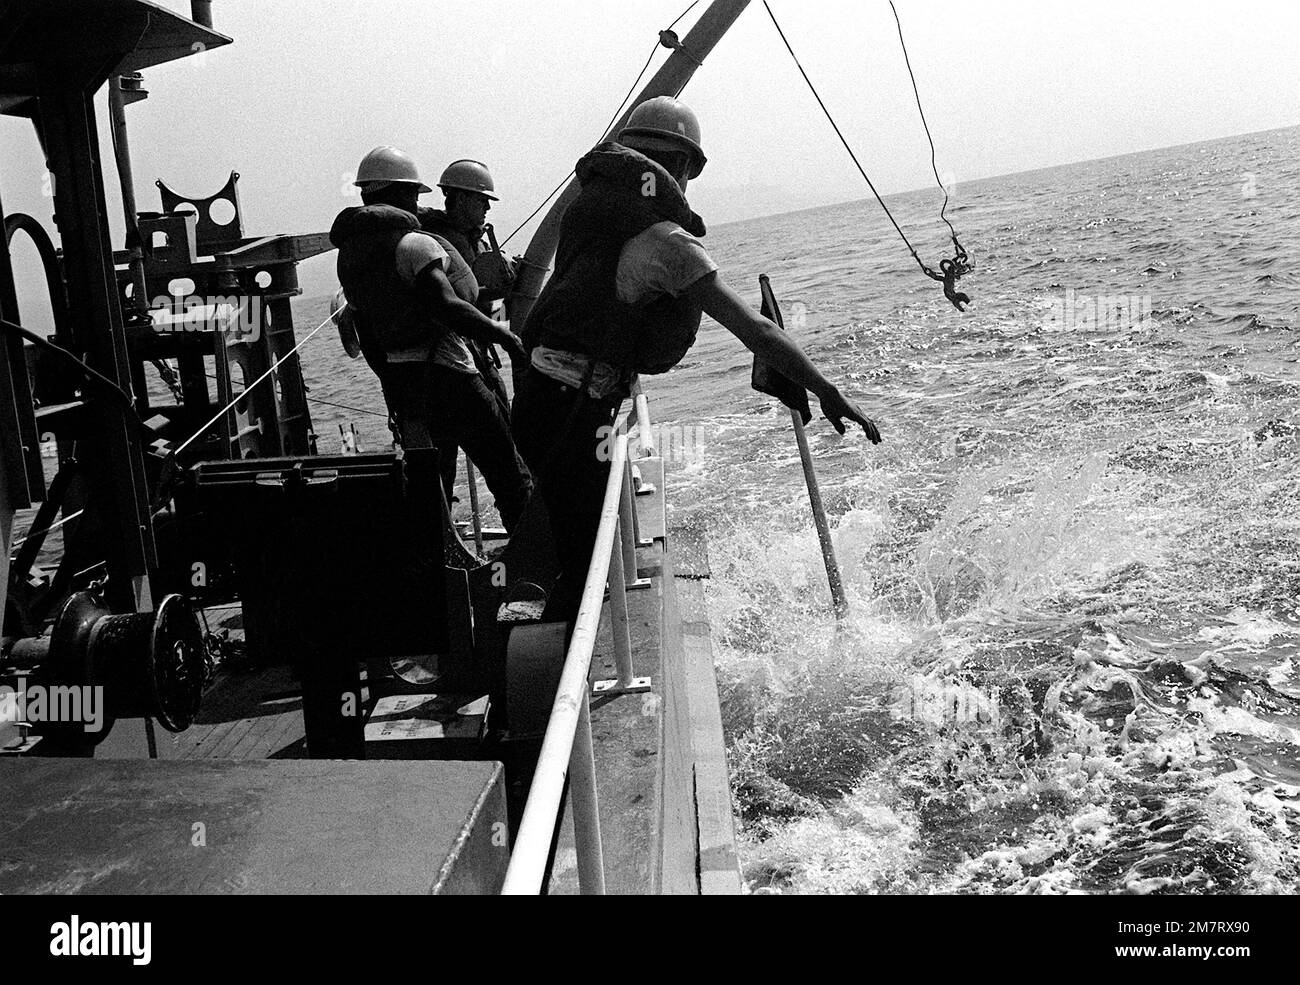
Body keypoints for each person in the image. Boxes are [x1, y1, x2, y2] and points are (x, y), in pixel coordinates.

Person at [512, 97, 882, 621]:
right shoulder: (668, 242)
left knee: (572, 546)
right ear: (684, 166)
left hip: (536, 403)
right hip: (572, 416)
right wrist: (829, 390)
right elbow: (756, 329)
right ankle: (558, 684)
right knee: (590, 567)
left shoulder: (587, 215)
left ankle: (549, 652)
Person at [329, 145, 533, 532]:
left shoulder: (352, 255)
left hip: (406, 383)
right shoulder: (415, 243)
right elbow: (446, 304)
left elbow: (372, 322)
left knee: (432, 480)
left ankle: (443, 567)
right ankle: (532, 565)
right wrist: (504, 338)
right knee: (507, 470)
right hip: (450, 373)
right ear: (405, 193)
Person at [419, 160, 518, 500]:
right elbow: (457, 304)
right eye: (481, 200)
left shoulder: (461, 240)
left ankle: (441, 539)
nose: (487, 207)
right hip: (464, 361)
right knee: (505, 454)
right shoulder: (444, 244)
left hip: (455, 362)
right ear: (459, 199)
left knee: (439, 463)